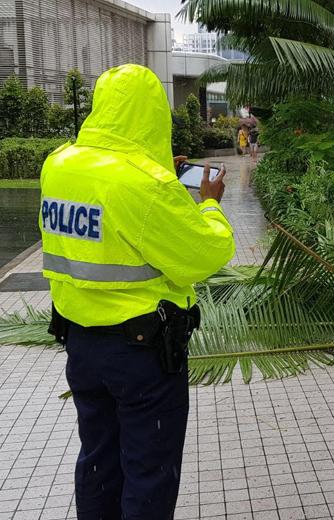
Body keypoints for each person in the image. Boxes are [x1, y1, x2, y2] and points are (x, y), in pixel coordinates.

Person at [39, 64, 235, 519]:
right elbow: (204, 254)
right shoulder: (145, 185)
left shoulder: (59, 163)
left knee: (98, 461)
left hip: (81, 346)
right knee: (148, 472)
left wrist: (164, 171)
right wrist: (208, 204)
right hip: (142, 356)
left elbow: (112, 216)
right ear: (153, 114)